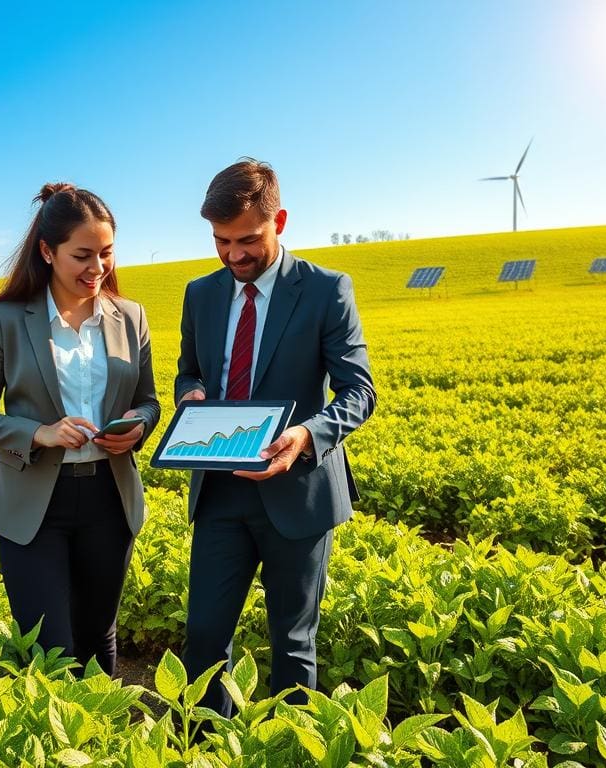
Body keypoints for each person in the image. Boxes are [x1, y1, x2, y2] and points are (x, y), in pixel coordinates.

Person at [175, 159, 376, 715]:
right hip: (219, 489)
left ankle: (291, 746)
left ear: (279, 220)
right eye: (221, 241)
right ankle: (212, 748)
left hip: (296, 491)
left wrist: (306, 437)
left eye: (247, 240)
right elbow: (189, 370)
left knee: (293, 643)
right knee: (205, 640)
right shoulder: (201, 294)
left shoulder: (326, 290)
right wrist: (189, 396)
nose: (234, 254)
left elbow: (358, 392)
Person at [0, 182, 160, 676]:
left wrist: (137, 426)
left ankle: (102, 743)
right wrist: (39, 433)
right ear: (48, 252)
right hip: (33, 505)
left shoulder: (130, 317)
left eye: (107, 254)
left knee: (99, 635)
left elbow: (149, 402)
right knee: (51, 648)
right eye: (83, 256)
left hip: (108, 501)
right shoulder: (8, 320)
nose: (98, 269)